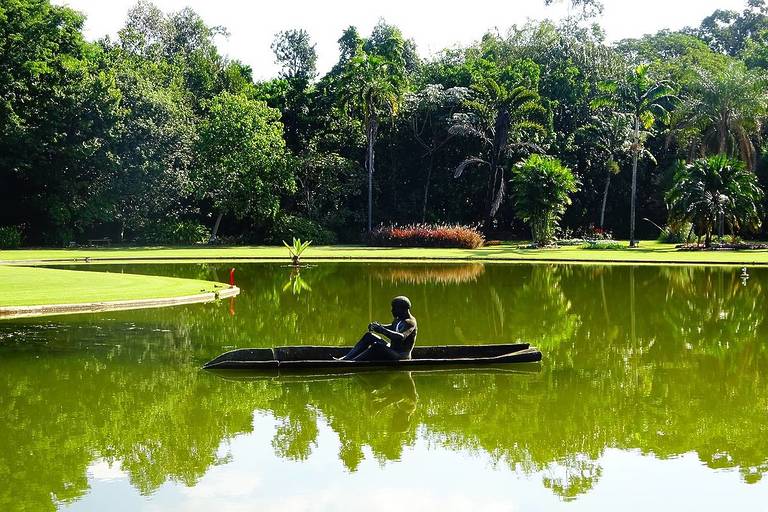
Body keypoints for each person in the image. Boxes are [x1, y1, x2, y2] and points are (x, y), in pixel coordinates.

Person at [336, 296, 417, 361]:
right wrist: (377, 326)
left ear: (403, 309)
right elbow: (393, 327)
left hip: (400, 356)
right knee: (369, 336)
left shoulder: (410, 322)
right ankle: (346, 358)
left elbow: (401, 337)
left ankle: (352, 363)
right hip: (392, 349)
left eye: (394, 308)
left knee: (377, 346)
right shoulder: (398, 318)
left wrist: (382, 330)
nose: (392, 310)